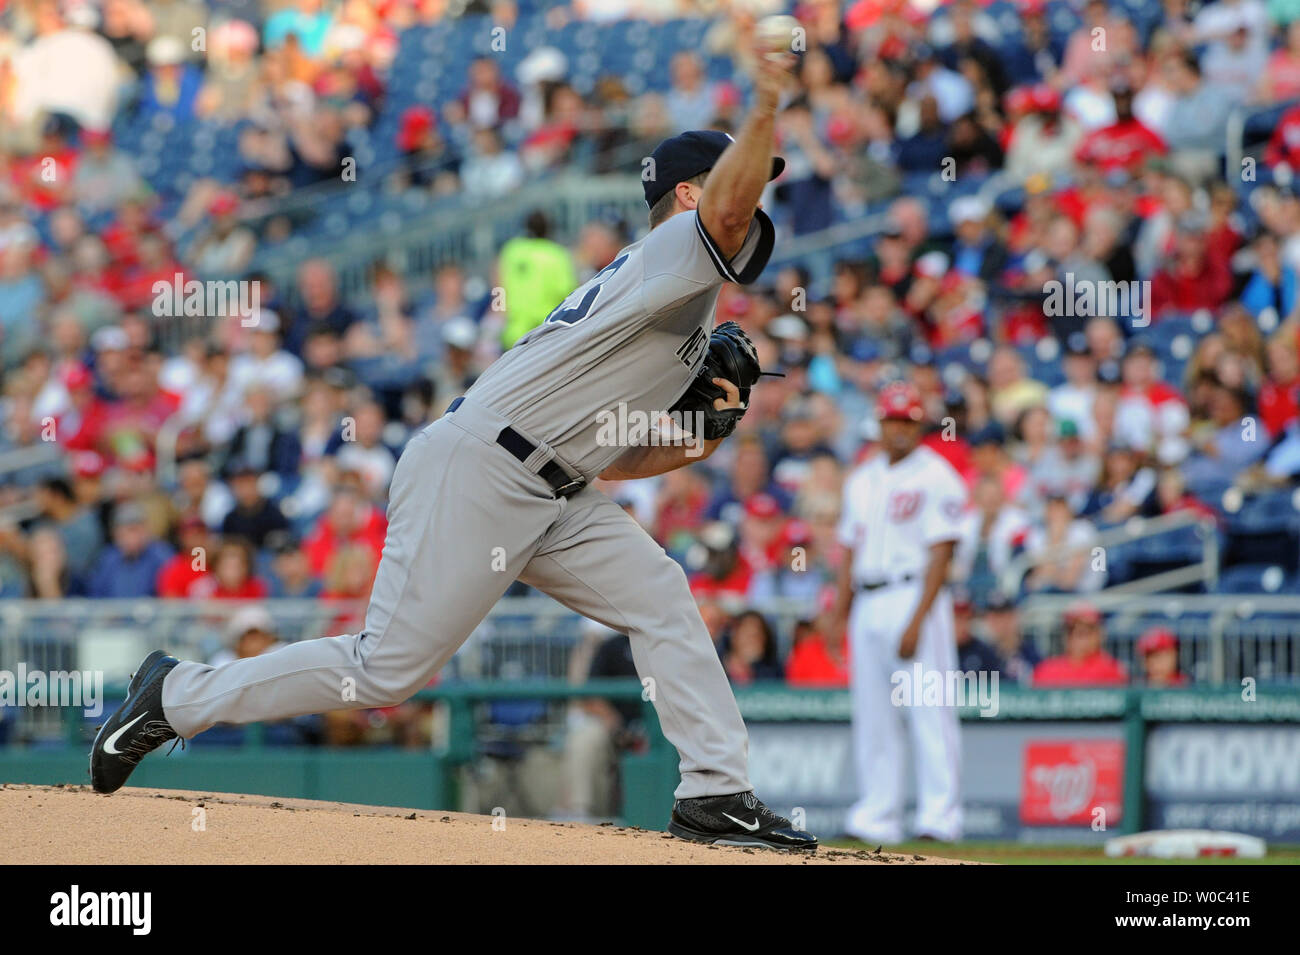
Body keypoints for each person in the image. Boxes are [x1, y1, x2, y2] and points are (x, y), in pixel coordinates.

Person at [90, 46, 817, 853]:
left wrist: (697, 437)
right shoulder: (679, 249)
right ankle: (176, 695)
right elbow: (723, 213)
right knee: (386, 670)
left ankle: (716, 793)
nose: (755, 203)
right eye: (741, 184)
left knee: (661, 595)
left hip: (554, 484)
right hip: (482, 467)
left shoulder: (681, 306)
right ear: (690, 193)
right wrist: (765, 103)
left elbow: (613, 456)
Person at [833, 380, 968, 844]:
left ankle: (940, 816)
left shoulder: (937, 475)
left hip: (915, 596)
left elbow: (942, 553)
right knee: (873, 715)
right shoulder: (861, 477)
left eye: (908, 421)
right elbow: (848, 549)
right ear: (879, 423)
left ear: (919, 425)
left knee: (929, 710)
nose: (899, 429)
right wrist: (839, 612)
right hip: (867, 600)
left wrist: (917, 619)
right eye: (892, 420)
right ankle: (877, 815)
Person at [1032, 600, 1127, 686]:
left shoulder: (1110, 669)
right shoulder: (1046, 669)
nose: (1078, 638)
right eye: (1072, 630)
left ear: (1099, 635)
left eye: (1086, 632)